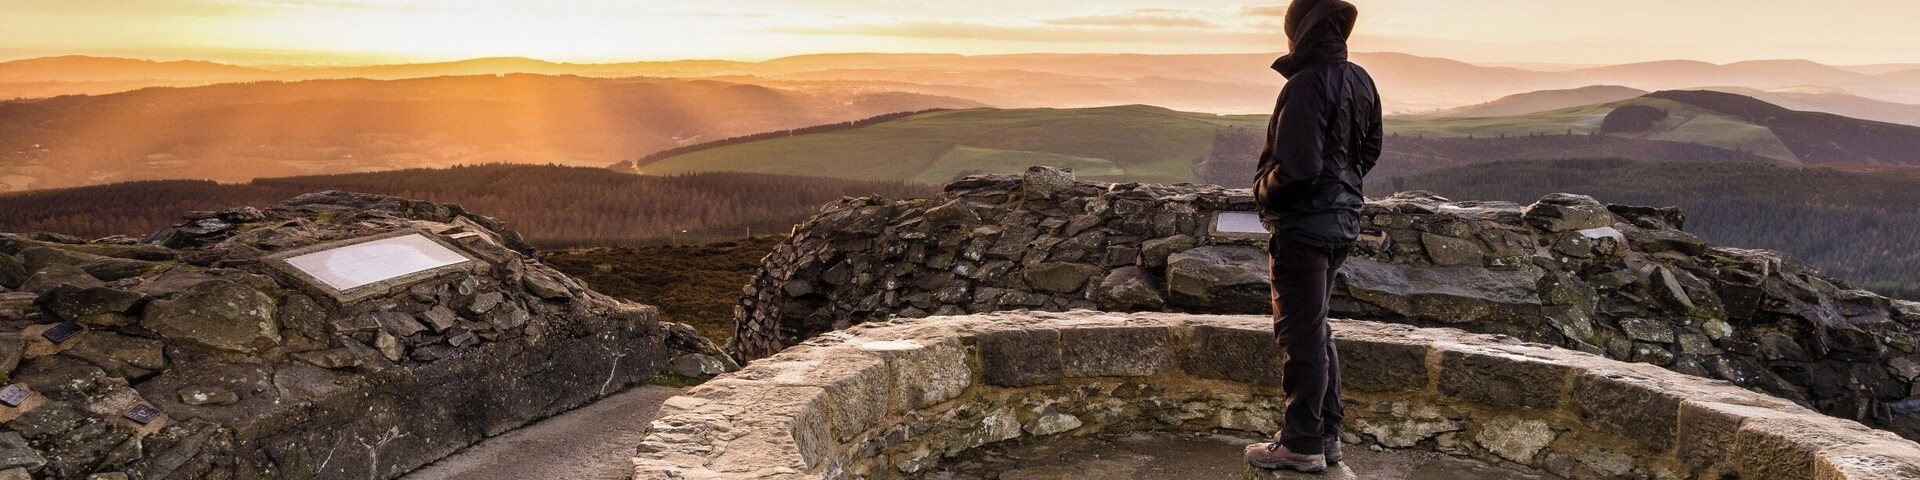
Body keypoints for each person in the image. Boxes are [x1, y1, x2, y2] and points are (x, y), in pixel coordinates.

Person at [1243, 0, 1382, 474]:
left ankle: (1301, 442)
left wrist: (1263, 190)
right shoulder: (1360, 79)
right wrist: (1341, 191)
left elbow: (1297, 170)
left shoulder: (1304, 86)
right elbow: (1370, 151)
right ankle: (1327, 436)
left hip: (1304, 227)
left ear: (1299, 33)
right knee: (1317, 330)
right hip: (1342, 222)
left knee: (1299, 333)